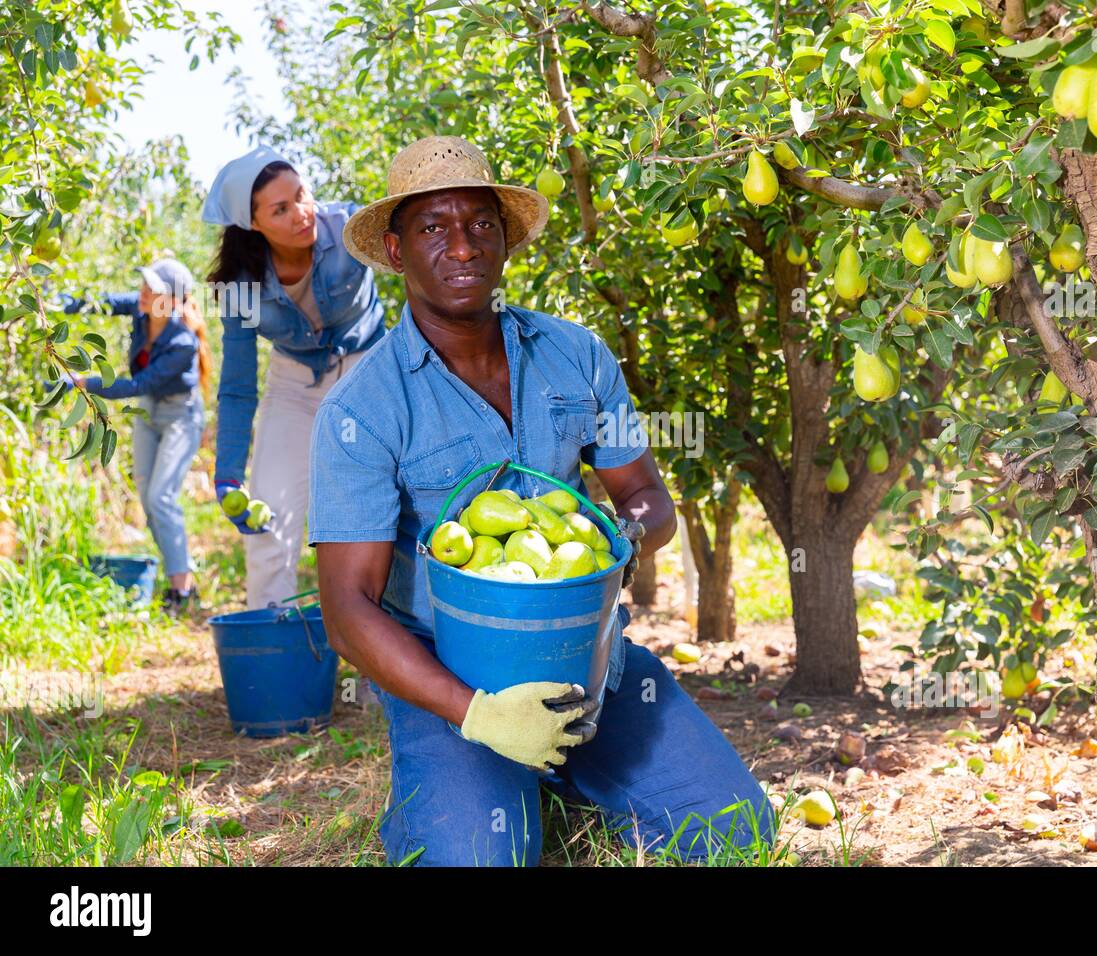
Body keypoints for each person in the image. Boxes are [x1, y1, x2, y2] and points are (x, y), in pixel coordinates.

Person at [309, 136, 775, 866]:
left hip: (589, 663)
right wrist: (477, 713)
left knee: (736, 834)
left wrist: (608, 540)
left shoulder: (577, 356)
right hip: (456, 687)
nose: (462, 247)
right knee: (475, 859)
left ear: (505, 241)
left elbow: (648, 497)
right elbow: (346, 609)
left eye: (480, 224)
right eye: (433, 227)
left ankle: (561, 778)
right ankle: (464, 790)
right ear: (396, 253)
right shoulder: (363, 409)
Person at [202, 147, 386, 610]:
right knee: (270, 516)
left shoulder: (349, 229)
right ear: (253, 223)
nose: (301, 213)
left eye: (301, 195)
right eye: (280, 209)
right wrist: (227, 474)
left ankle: (389, 664)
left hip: (367, 369)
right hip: (294, 382)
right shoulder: (239, 285)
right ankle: (273, 651)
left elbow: (421, 271)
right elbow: (239, 384)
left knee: (383, 511)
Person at [64, 257, 211, 613]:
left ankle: (181, 589)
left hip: (180, 414)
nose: (143, 293)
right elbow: (103, 302)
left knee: (161, 497)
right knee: (147, 499)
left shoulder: (182, 343)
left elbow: (138, 384)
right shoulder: (142, 309)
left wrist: (84, 383)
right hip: (150, 411)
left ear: (173, 301)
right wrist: (61, 301)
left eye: (153, 290)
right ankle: (180, 579)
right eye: (144, 286)